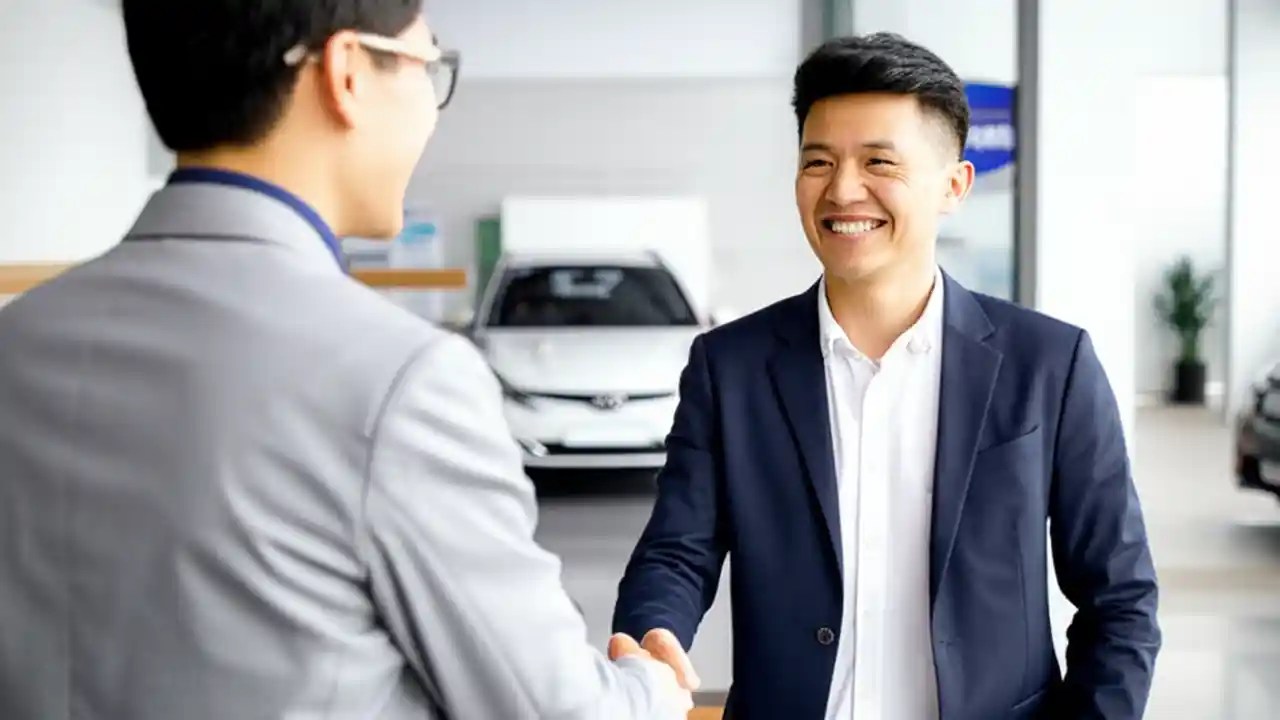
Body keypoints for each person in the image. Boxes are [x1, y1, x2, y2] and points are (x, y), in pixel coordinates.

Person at [0, 2, 691, 719]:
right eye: (429, 68)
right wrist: (655, 692)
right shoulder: (400, 382)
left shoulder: (16, 343)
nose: (431, 111)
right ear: (348, 72)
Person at [613, 32, 1161, 720]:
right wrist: (650, 635)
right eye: (818, 161)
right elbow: (676, 553)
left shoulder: (1050, 365)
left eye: (879, 161)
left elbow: (1120, 598)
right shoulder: (731, 368)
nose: (843, 189)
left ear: (953, 186)